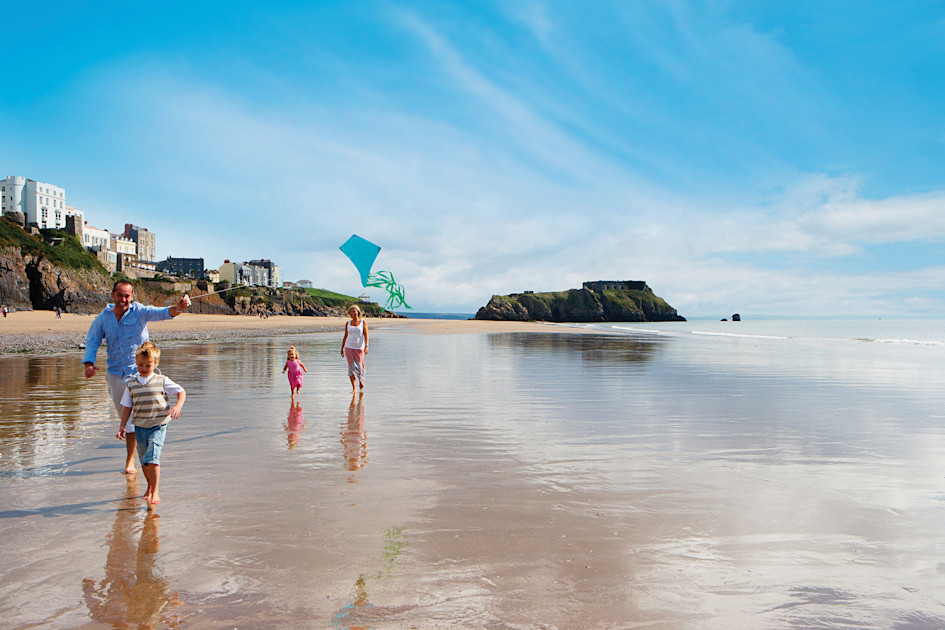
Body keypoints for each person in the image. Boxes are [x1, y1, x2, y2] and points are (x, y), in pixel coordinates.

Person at [83, 279, 191, 473]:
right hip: (116, 374)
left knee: (143, 417)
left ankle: (146, 455)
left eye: (127, 295)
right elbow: (92, 340)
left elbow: (163, 313)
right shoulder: (103, 318)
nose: (123, 299)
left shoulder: (140, 311)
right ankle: (133, 460)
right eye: (119, 295)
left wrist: (179, 307)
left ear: (132, 297)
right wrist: (89, 364)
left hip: (140, 375)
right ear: (112, 295)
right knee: (127, 420)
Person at [116, 342, 186, 508]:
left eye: (148, 365)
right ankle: (149, 486)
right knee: (144, 461)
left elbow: (181, 392)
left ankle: (155, 491)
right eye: (140, 365)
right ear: (136, 363)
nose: (143, 368)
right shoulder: (131, 383)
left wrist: (178, 406)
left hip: (158, 425)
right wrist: (122, 426)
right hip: (140, 426)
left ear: (156, 364)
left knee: (153, 458)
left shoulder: (161, 380)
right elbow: (127, 406)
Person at [340, 304, 369, 392]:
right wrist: (342, 348)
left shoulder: (363, 322)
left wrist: (367, 346)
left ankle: (361, 380)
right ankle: (354, 388)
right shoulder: (348, 323)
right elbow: (345, 336)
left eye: (354, 311)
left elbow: (366, 335)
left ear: (358, 312)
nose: (353, 313)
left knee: (360, 366)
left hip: (359, 348)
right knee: (351, 367)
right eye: (351, 311)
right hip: (349, 347)